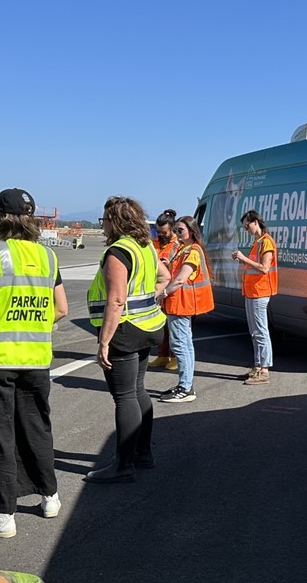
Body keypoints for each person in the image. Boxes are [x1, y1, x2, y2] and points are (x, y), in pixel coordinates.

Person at [0, 189, 68, 538]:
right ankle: (50, 496)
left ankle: (2, 515)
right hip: (36, 360)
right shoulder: (48, 256)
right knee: (37, 430)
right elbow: (62, 309)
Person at [86, 197, 169, 483]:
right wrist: (151, 299)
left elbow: (117, 299)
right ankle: (142, 453)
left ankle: (122, 464)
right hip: (148, 326)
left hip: (125, 329)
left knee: (124, 397)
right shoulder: (145, 247)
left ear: (115, 222)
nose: (103, 225)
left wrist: (104, 341)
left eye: (105, 220)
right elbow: (164, 276)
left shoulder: (118, 252)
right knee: (138, 391)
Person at [158, 215, 214, 403]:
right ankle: (185, 384)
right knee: (185, 345)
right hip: (180, 304)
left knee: (181, 346)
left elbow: (182, 278)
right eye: (176, 230)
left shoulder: (193, 251)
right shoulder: (184, 249)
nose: (177, 233)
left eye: (180, 230)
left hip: (182, 304)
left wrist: (163, 293)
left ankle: (186, 387)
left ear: (191, 231)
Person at [232, 210, 277, 386]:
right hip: (252, 291)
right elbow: (254, 267)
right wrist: (243, 260)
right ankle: (258, 366)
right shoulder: (258, 242)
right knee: (254, 331)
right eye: (244, 226)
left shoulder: (266, 242)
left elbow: (264, 268)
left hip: (260, 292)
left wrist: (243, 258)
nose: (246, 229)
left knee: (260, 331)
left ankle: (264, 369)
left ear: (256, 222)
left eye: (247, 225)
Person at [147, 209, 179, 371]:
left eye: (164, 232)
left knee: (173, 326)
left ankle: (174, 357)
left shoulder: (178, 245)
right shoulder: (154, 243)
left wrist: (169, 265)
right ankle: (162, 355)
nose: (160, 235)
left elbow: (183, 269)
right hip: (158, 288)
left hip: (173, 289)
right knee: (161, 325)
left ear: (172, 230)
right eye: (158, 232)